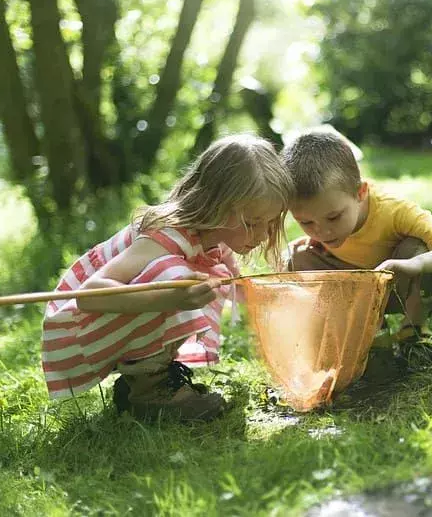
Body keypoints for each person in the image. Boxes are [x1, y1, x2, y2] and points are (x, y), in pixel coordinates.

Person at [42, 134, 294, 422]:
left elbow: (239, 286)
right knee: (179, 277)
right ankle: (150, 391)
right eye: (251, 223)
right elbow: (89, 296)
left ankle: (142, 380)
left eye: (270, 223)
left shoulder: (215, 236)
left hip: (106, 325)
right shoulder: (166, 237)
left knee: (209, 278)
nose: (262, 236)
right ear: (216, 204)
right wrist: (172, 297)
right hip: (75, 331)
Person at [282, 130, 432, 371]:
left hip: (402, 286)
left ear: (361, 193)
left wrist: (415, 265)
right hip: (362, 289)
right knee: (296, 258)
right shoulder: (324, 225)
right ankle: (371, 336)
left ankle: (414, 333)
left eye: (333, 217)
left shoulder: (393, 210)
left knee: (417, 247)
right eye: (306, 223)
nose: (322, 232)